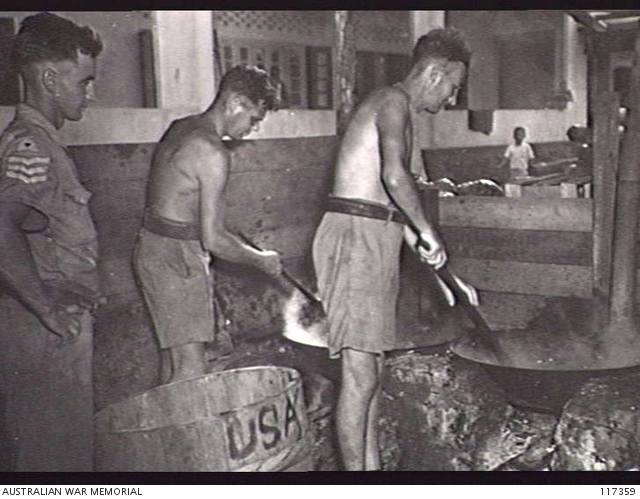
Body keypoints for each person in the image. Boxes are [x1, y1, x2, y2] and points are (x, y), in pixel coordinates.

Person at [311, 27, 479, 471]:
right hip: (354, 236)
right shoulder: (391, 102)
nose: (450, 100)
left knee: (370, 375)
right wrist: (429, 232)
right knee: (359, 374)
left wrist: (446, 274)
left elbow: (390, 205)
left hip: (373, 234)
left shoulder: (401, 112)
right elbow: (394, 179)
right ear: (435, 73)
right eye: (453, 88)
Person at [134, 65, 283, 385]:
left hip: (153, 247)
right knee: (191, 367)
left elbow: (184, 203)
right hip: (176, 256)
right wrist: (261, 260)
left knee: (173, 361)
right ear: (235, 103)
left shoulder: (182, 127)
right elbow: (213, 238)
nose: (253, 128)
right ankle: (186, 435)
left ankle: (166, 433)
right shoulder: (213, 152)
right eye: (254, 119)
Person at [0, 12, 103, 471]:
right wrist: (49, 313)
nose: (91, 93)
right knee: (51, 463)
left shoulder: (44, 143)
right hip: (44, 328)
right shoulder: (31, 145)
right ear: (48, 78)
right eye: (84, 81)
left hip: (54, 320)